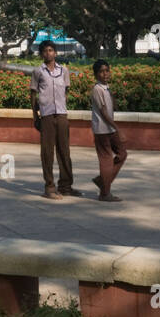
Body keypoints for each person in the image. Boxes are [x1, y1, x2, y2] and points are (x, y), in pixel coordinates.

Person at [30, 40, 80, 199]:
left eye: (51, 50)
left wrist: (62, 108)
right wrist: (35, 115)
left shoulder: (64, 70)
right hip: (46, 114)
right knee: (47, 152)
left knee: (64, 150)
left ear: (55, 53)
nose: (48, 53)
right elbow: (33, 95)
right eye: (45, 51)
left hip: (62, 114)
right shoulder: (38, 72)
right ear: (41, 54)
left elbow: (65, 90)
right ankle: (49, 187)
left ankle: (66, 186)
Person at [89, 60, 128, 202]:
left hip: (109, 128)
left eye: (107, 70)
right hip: (102, 129)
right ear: (96, 74)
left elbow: (113, 108)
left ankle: (103, 181)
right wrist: (118, 129)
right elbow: (104, 113)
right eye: (101, 71)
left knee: (122, 154)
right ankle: (105, 194)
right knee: (106, 160)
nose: (105, 74)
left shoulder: (106, 88)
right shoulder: (97, 89)